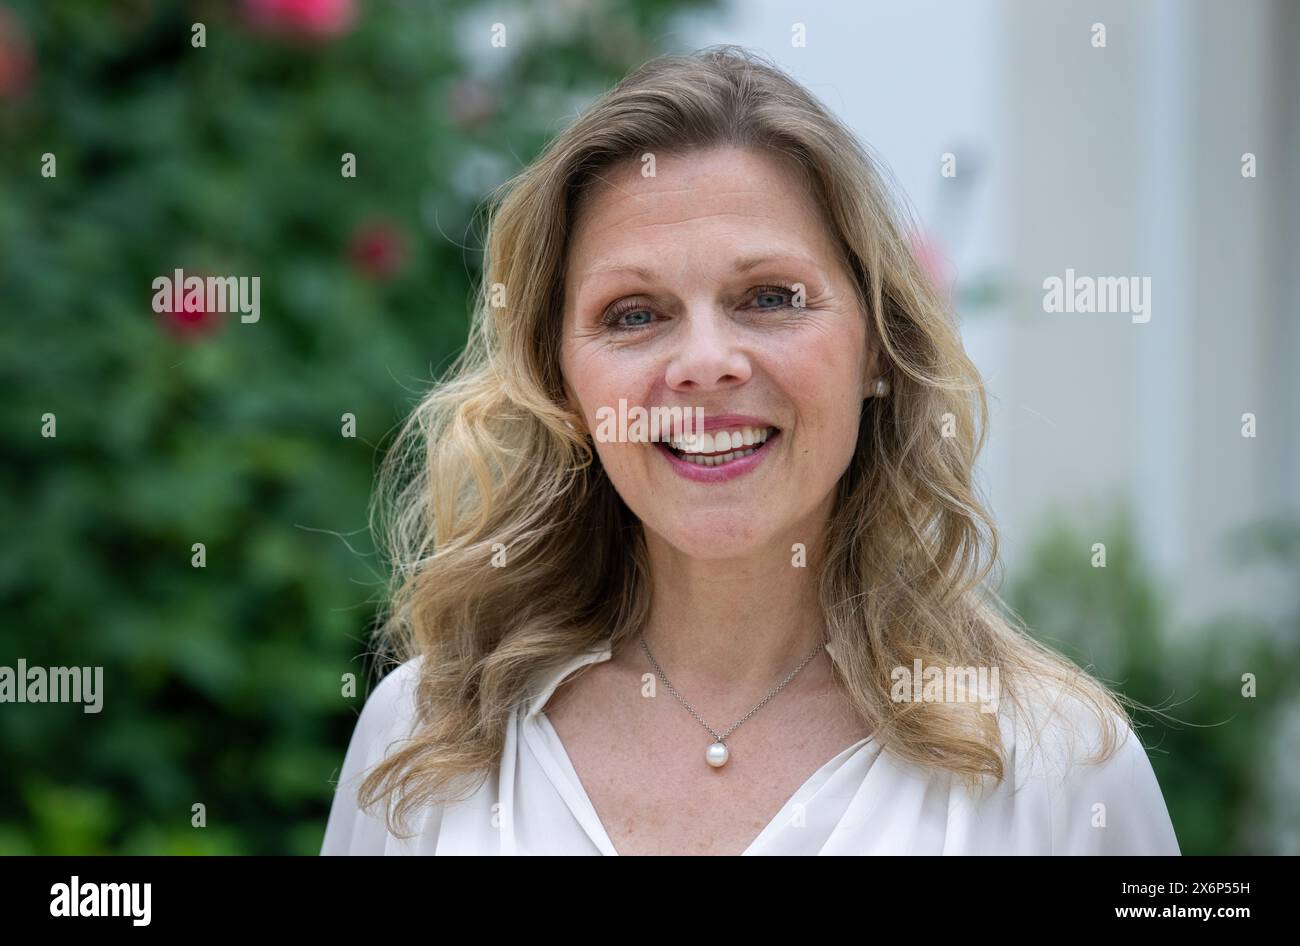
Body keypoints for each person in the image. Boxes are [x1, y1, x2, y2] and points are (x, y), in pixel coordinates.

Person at [321, 45, 1180, 855]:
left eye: (769, 296)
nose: (704, 365)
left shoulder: (1057, 766)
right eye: (634, 314)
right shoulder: (426, 742)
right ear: (562, 382)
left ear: (877, 346)